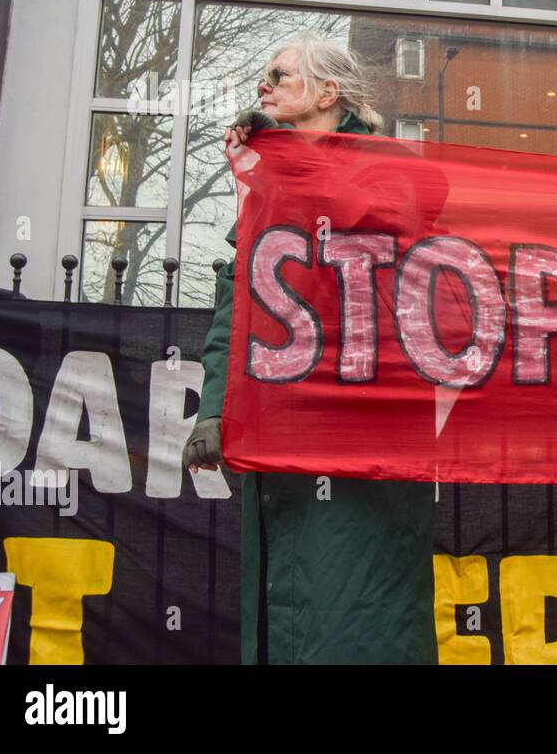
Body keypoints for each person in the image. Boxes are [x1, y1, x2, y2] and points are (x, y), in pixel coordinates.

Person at [181, 34, 437, 665]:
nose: (263, 88)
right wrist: (216, 406)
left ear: (329, 91)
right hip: (282, 427)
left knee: (354, 609)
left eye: (280, 76)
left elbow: (387, 230)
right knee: (285, 605)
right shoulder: (267, 188)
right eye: (262, 79)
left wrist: (287, 165)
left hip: (363, 430)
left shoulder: (390, 166)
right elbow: (236, 301)